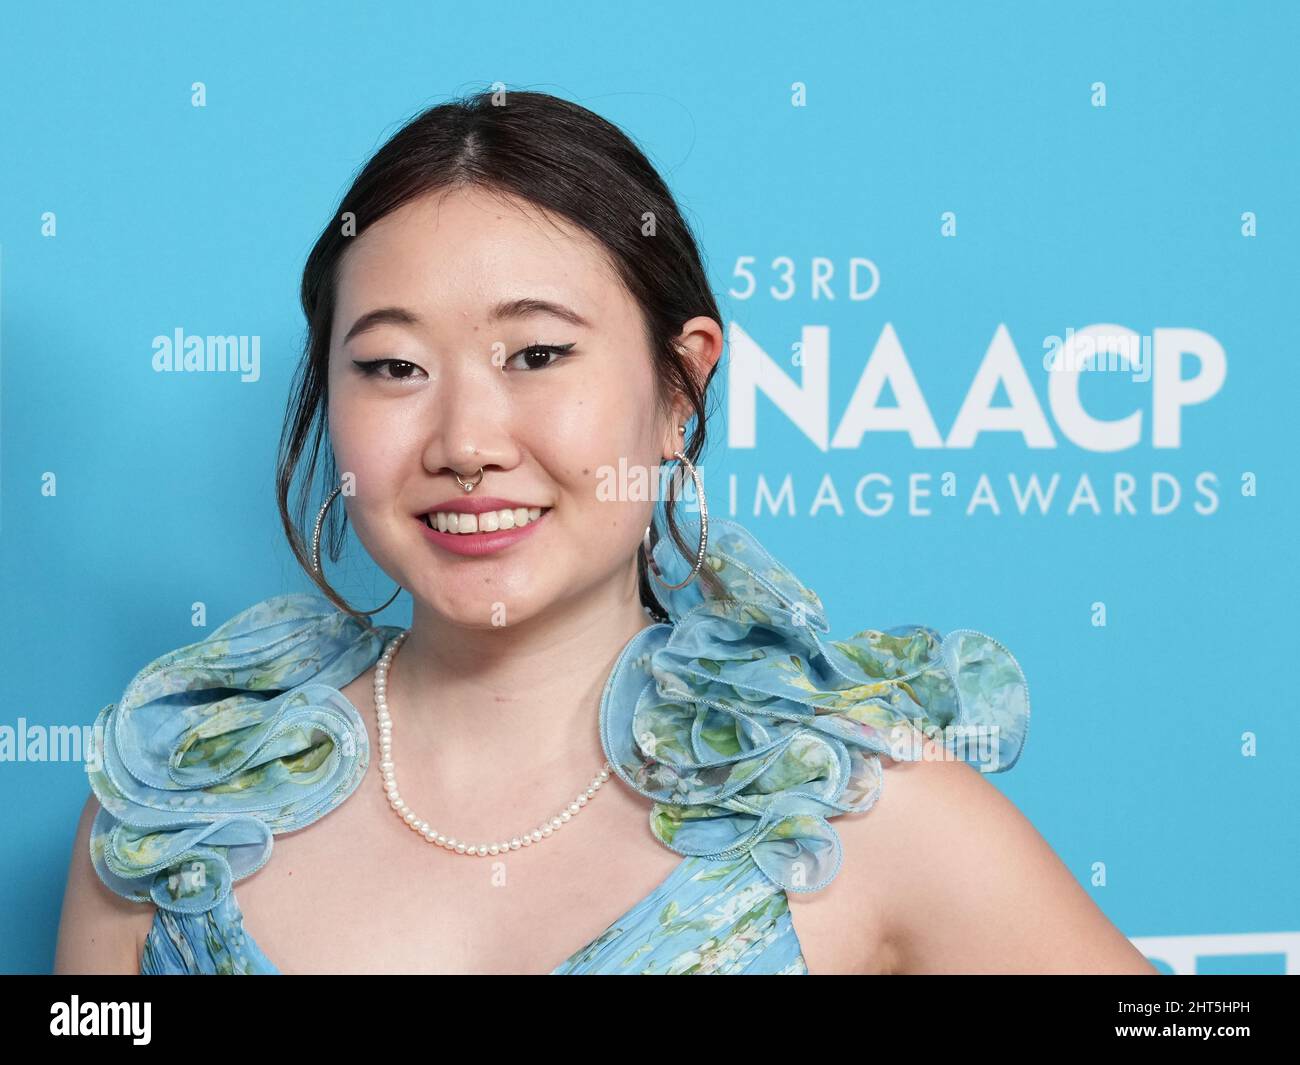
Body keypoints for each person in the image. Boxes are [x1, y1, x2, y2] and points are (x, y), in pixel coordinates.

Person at [53, 90, 1156, 975]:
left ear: (680, 387)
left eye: (537, 355)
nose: (465, 442)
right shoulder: (181, 803)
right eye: (392, 366)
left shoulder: (853, 805)